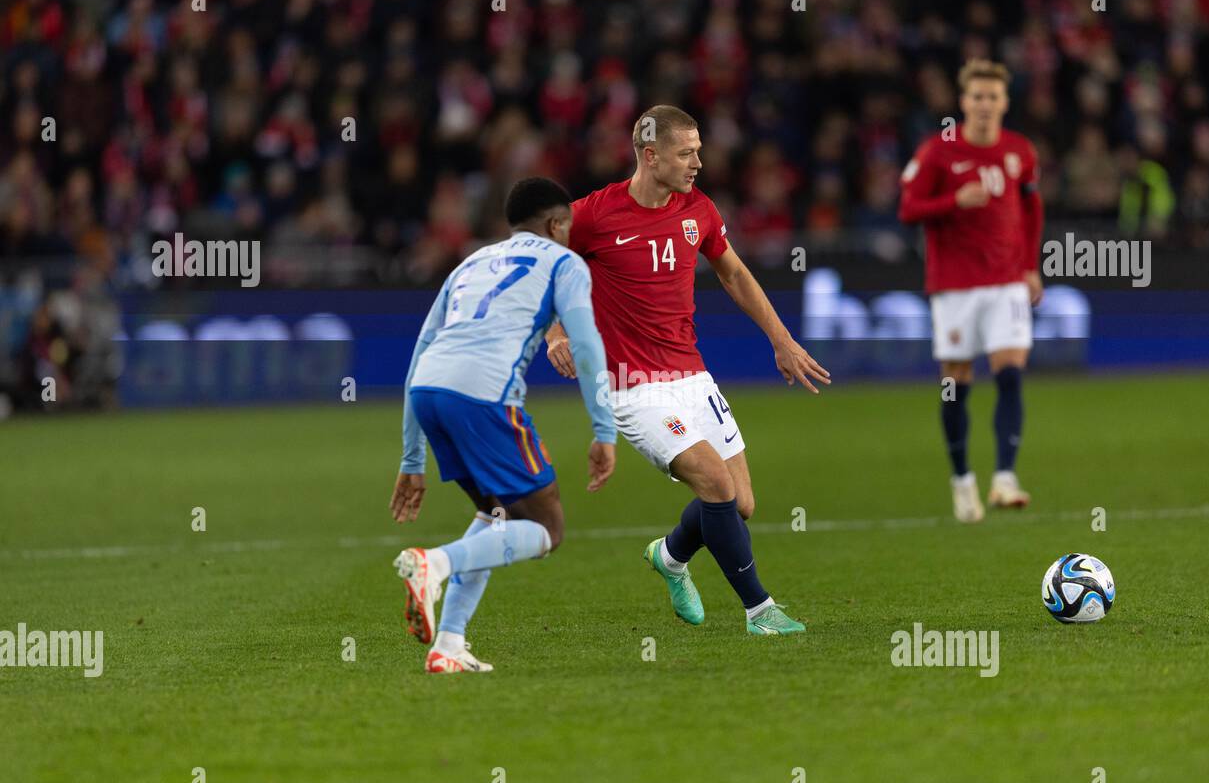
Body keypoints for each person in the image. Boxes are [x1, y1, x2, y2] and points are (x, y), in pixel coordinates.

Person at [546, 105, 830, 635]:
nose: (699, 161)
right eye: (687, 152)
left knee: (740, 504)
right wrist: (555, 332)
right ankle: (760, 611)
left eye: (698, 150)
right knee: (716, 484)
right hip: (632, 387)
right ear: (651, 157)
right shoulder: (592, 214)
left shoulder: (697, 208)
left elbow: (735, 274)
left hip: (693, 377)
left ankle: (671, 556)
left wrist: (782, 339)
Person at [389, 177, 617, 673]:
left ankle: (448, 644)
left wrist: (412, 458)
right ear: (557, 225)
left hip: (430, 390)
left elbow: (419, 352)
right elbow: (587, 345)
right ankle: (436, 565)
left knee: (498, 515)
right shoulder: (564, 263)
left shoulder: (469, 263)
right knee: (546, 527)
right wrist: (604, 430)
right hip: (484, 397)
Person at [898, 60, 1044, 523]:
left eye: (992, 97)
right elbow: (907, 209)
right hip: (955, 285)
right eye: (976, 96)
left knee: (1010, 373)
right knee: (955, 383)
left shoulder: (1020, 151)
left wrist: (1030, 266)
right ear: (963, 102)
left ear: (1004, 102)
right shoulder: (938, 151)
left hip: (1006, 282)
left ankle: (1004, 478)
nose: (984, 104)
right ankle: (962, 481)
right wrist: (952, 201)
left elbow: (1032, 208)